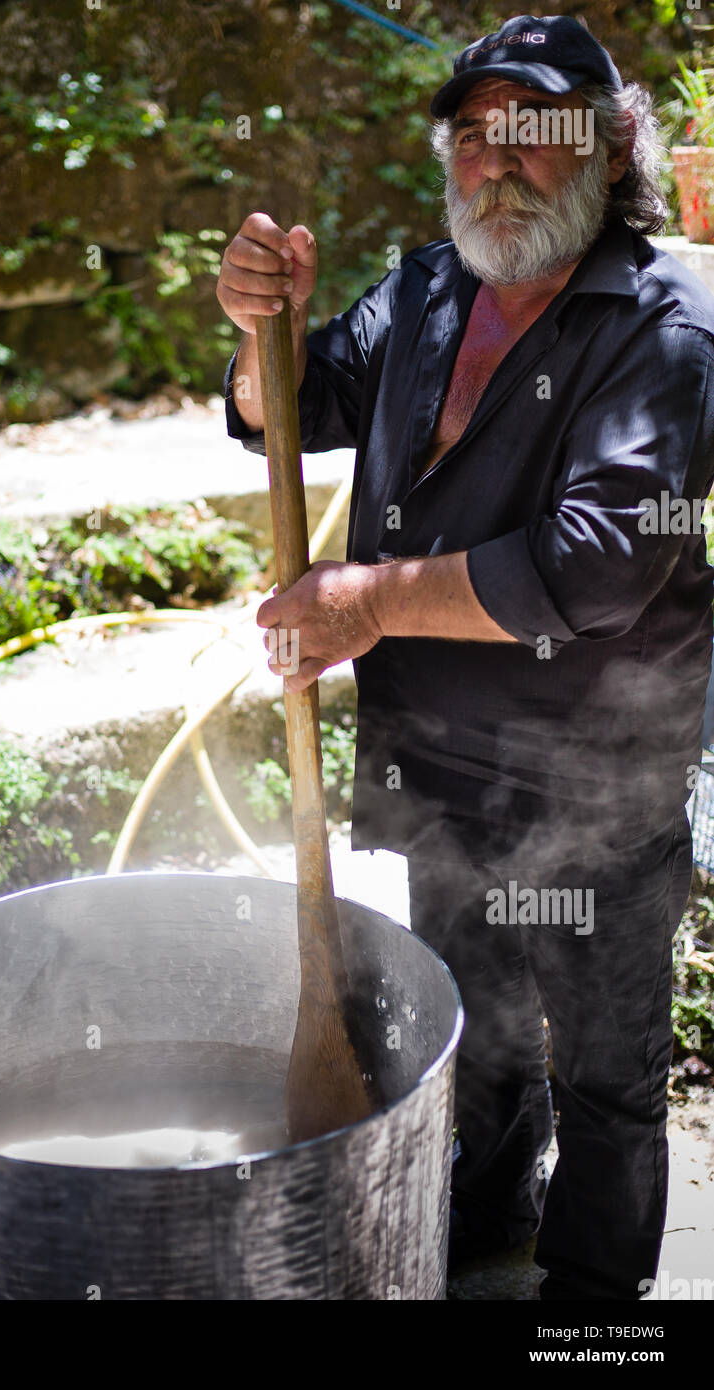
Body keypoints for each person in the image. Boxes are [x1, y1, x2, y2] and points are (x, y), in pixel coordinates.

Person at [216, 13, 714, 1300]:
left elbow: (595, 565)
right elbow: (297, 399)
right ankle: (475, 1226)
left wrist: (366, 598)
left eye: (533, 130)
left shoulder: (663, 325)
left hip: (591, 783)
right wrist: (252, 328)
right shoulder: (429, 284)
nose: (495, 159)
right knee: (476, 1041)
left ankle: (593, 1306)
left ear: (609, 154)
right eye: (473, 130)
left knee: (604, 1078)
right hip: (439, 766)